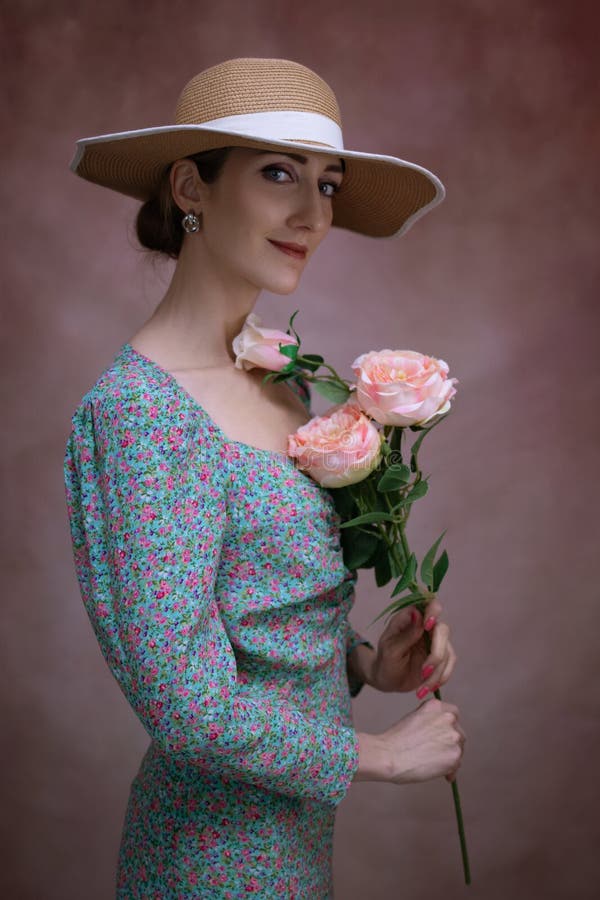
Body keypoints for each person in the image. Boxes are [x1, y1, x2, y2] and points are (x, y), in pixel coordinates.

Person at [63, 57, 466, 899]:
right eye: (279, 172)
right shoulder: (141, 414)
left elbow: (254, 625)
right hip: (210, 856)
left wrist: (365, 665)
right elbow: (187, 704)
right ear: (191, 187)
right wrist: (382, 755)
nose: (313, 213)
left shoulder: (284, 385)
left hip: (295, 844)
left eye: (328, 184)